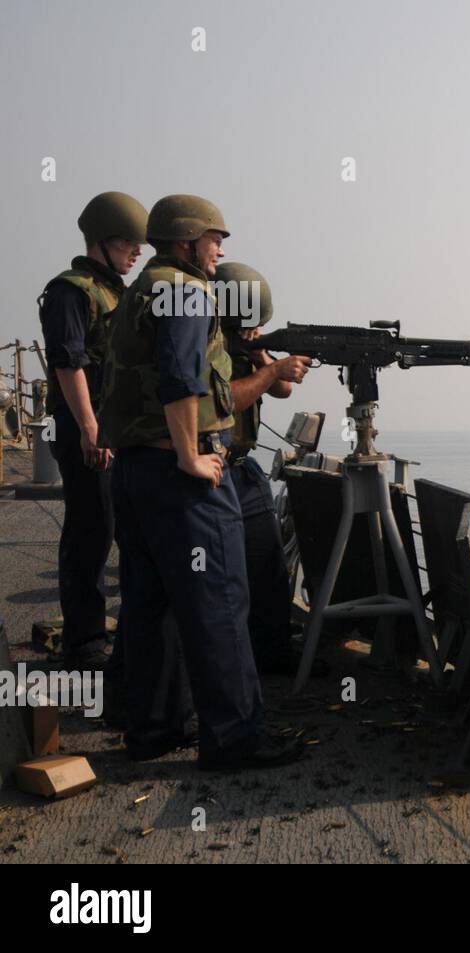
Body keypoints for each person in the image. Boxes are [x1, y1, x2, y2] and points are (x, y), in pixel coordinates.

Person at [97, 194, 302, 769]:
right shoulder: (186, 291)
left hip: (137, 473)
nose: (219, 249)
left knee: (152, 603)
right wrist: (190, 456)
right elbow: (183, 379)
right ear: (186, 241)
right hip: (177, 475)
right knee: (219, 603)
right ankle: (235, 739)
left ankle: (154, 730)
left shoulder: (147, 286)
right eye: (214, 239)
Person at [37, 191, 146, 673]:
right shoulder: (70, 291)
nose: (136, 253)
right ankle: (83, 645)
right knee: (91, 531)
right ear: (102, 242)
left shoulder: (116, 291)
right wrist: (89, 429)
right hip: (84, 426)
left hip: (113, 428)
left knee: (120, 526)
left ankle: (113, 637)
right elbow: (68, 362)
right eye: (128, 244)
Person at [212, 261, 320, 676]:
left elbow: (282, 388)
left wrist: (261, 353)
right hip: (214, 468)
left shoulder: (244, 344)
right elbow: (224, 400)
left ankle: (273, 657)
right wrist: (273, 366)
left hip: (244, 467)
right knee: (225, 577)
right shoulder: (207, 344)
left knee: (267, 566)